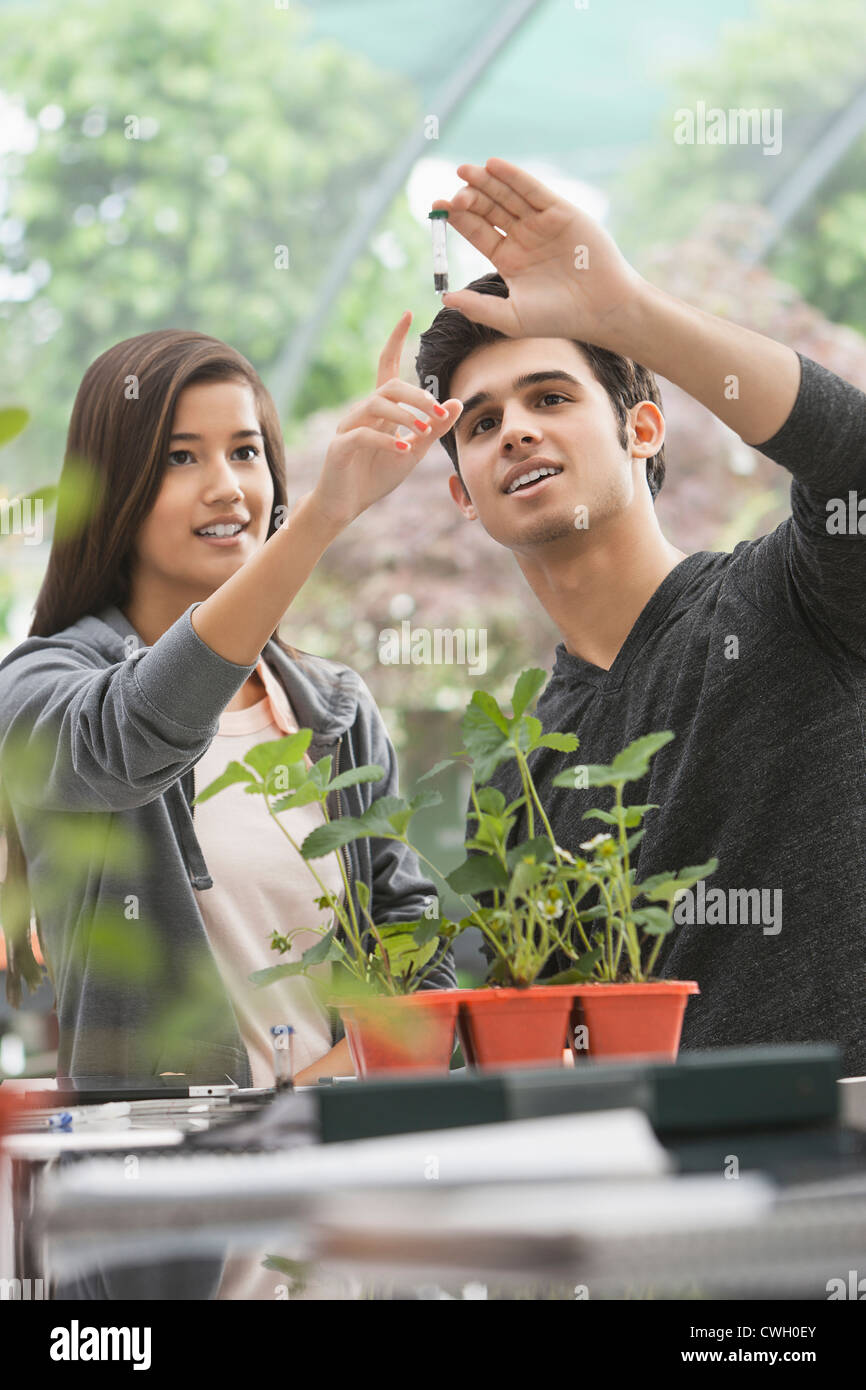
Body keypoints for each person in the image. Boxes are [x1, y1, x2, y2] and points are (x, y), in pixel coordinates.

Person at [416, 157, 866, 1077]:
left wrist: (624, 313)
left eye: (551, 397)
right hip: (662, 1198)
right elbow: (538, 1056)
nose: (516, 432)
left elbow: (854, 457)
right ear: (465, 494)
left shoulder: (791, 598)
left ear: (643, 429)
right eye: (482, 423)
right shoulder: (515, 774)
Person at [0, 314, 461, 1087]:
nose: (228, 487)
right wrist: (323, 516)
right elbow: (136, 733)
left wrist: (301, 1114)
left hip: (342, 1157)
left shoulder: (333, 709)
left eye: (246, 451)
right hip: (165, 1182)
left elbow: (419, 956)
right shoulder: (39, 689)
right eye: (181, 457)